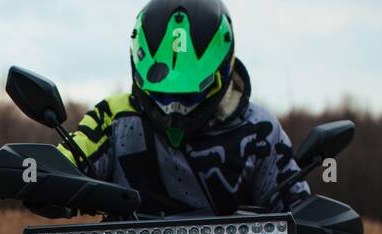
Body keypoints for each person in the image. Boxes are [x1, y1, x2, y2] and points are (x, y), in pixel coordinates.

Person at [58, 0, 309, 217]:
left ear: (222, 74)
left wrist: (316, 224)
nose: (174, 109)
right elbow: (66, 162)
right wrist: (37, 175)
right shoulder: (113, 117)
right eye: (162, 94)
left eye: (190, 94)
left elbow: (298, 213)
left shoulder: (259, 130)